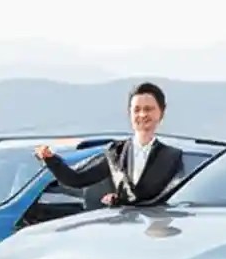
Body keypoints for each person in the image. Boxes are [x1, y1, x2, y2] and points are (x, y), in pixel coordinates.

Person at [34, 81, 185, 205]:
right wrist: (50, 159)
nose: (142, 114)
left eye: (148, 109)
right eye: (136, 110)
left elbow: (168, 196)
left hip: (156, 230)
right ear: (129, 113)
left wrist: (118, 199)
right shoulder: (115, 153)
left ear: (161, 113)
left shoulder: (172, 156)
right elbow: (77, 179)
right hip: (123, 227)